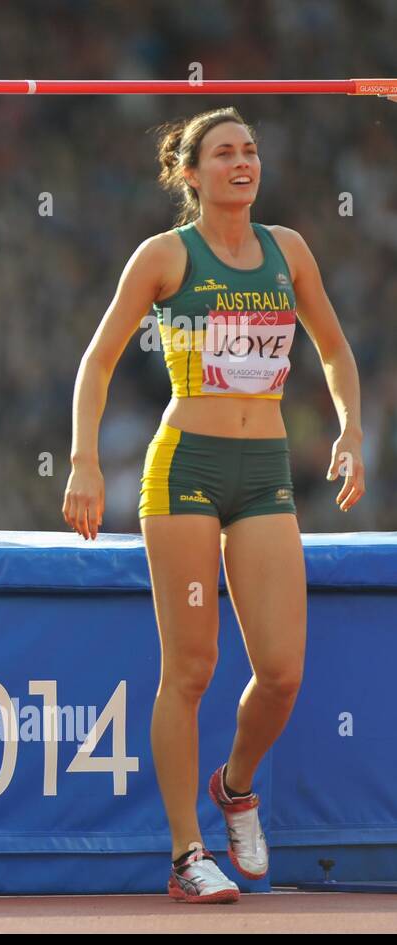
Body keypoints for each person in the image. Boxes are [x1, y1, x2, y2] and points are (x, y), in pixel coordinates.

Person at [62, 107, 365, 903]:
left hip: (263, 469)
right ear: (190, 174)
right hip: (185, 467)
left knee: (282, 672)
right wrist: (85, 461)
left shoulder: (288, 250)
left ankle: (234, 785)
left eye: (251, 150)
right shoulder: (166, 256)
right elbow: (97, 361)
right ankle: (186, 852)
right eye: (225, 152)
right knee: (190, 668)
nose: (244, 161)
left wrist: (352, 429)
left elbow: (333, 348)